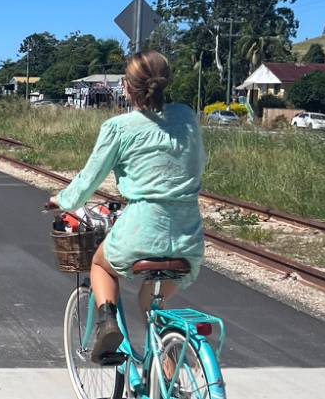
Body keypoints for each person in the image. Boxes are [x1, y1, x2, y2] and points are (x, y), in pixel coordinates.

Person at [45, 50, 205, 365]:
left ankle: (107, 322)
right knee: (153, 309)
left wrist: (61, 201)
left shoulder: (118, 127)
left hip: (142, 229)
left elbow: (88, 180)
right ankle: (170, 378)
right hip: (189, 237)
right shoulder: (186, 117)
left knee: (101, 265)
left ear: (127, 87)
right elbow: (197, 165)